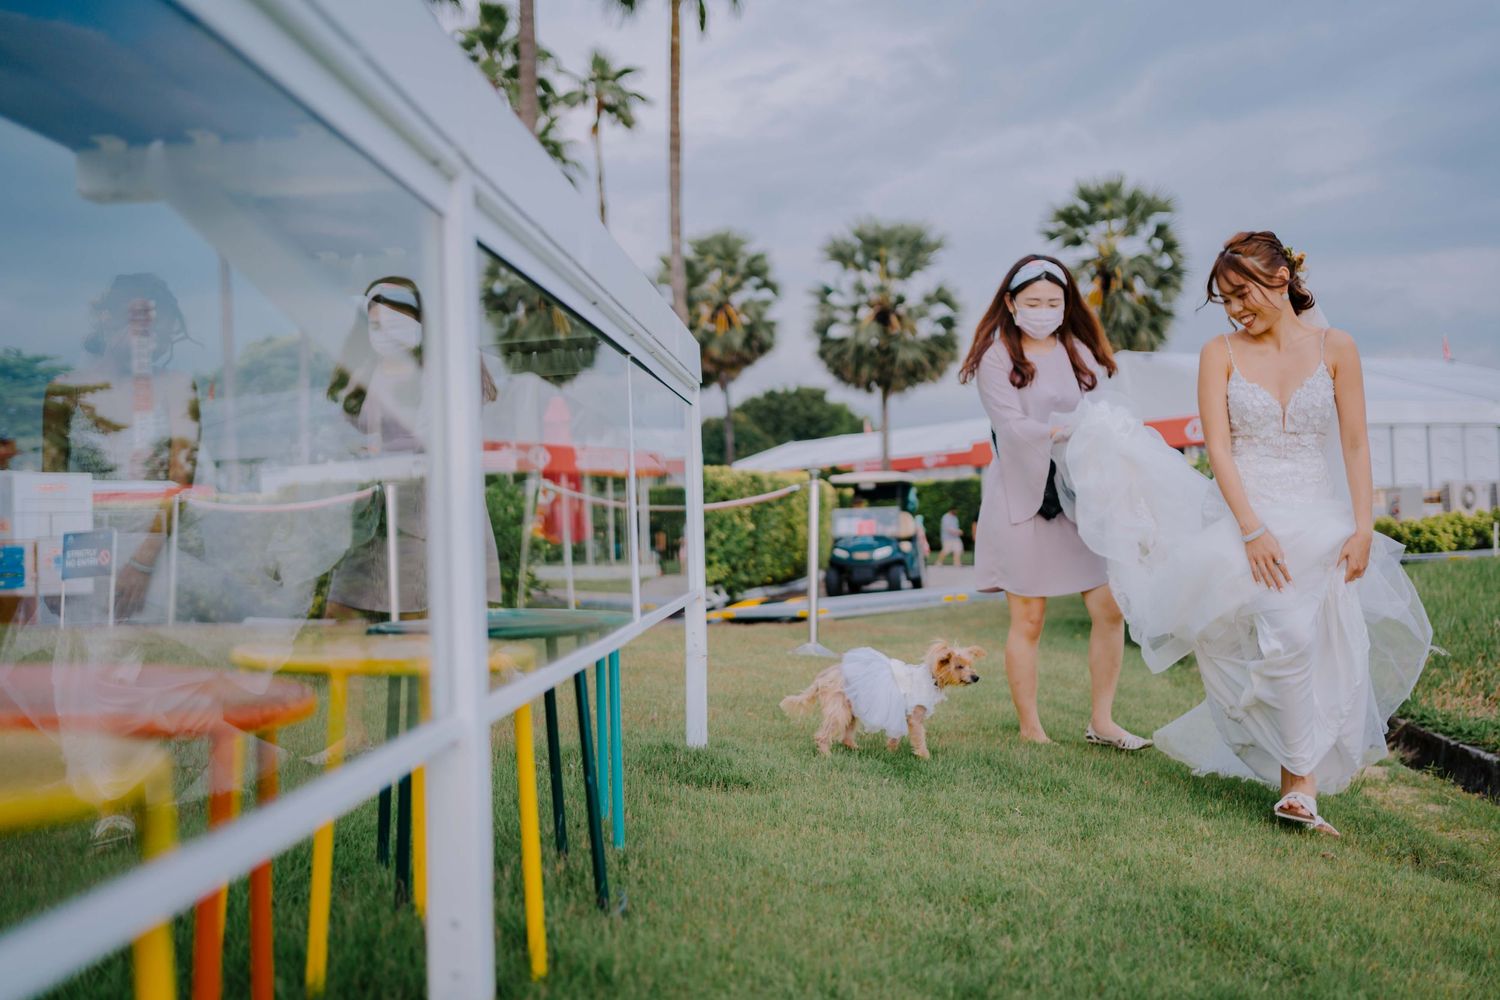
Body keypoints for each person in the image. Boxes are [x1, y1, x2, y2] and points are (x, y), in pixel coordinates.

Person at [1058, 232, 1433, 836]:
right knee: (1284, 635)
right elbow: (1221, 451)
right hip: (1245, 521)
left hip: (1322, 519)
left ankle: (1297, 790)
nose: (1235, 309)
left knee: (1325, 645)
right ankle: (1300, 785)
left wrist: (1365, 526)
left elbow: (1356, 443)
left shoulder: (1337, 347)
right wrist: (1252, 529)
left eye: (1242, 294)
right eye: (1224, 299)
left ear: (1282, 277)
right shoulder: (1220, 354)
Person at [958, 255, 1151, 750]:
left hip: (1081, 495)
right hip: (1022, 496)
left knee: (1109, 607)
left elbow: (1104, 407)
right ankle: (1031, 729)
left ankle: (1103, 722)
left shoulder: (1078, 348)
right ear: (1010, 303)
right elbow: (1010, 425)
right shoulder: (996, 356)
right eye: (1033, 302)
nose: (1044, 310)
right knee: (1029, 618)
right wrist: (1058, 432)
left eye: (1053, 301)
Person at [325, 277, 502, 618]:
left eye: (397, 321)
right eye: (375, 324)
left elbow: (441, 436)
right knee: (340, 614)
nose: (385, 333)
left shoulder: (450, 367)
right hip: (372, 516)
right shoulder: (363, 371)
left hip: (425, 513)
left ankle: (491, 670)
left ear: (420, 322)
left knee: (418, 623)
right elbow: (343, 433)